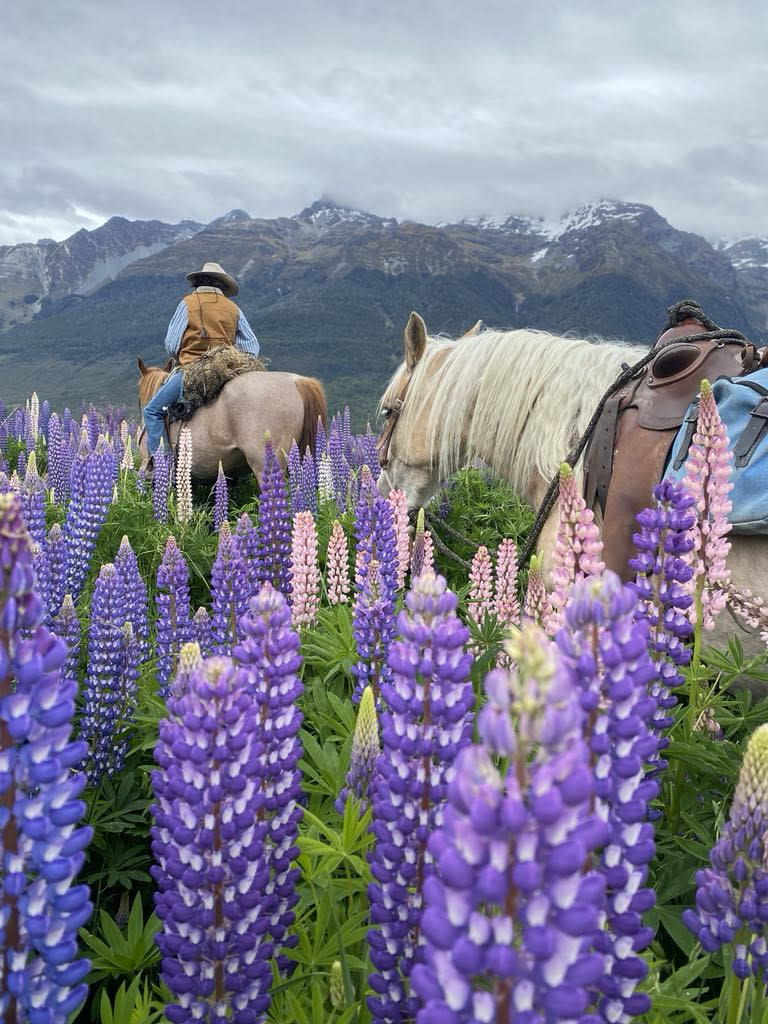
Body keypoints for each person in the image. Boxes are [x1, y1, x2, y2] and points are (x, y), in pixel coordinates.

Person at [143, 261, 259, 458]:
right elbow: (252, 347)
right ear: (221, 285)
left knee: (152, 412)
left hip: (191, 370)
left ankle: (162, 467)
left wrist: (181, 358)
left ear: (197, 282)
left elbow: (171, 343)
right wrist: (234, 363)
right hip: (226, 372)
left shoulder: (187, 304)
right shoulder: (233, 309)